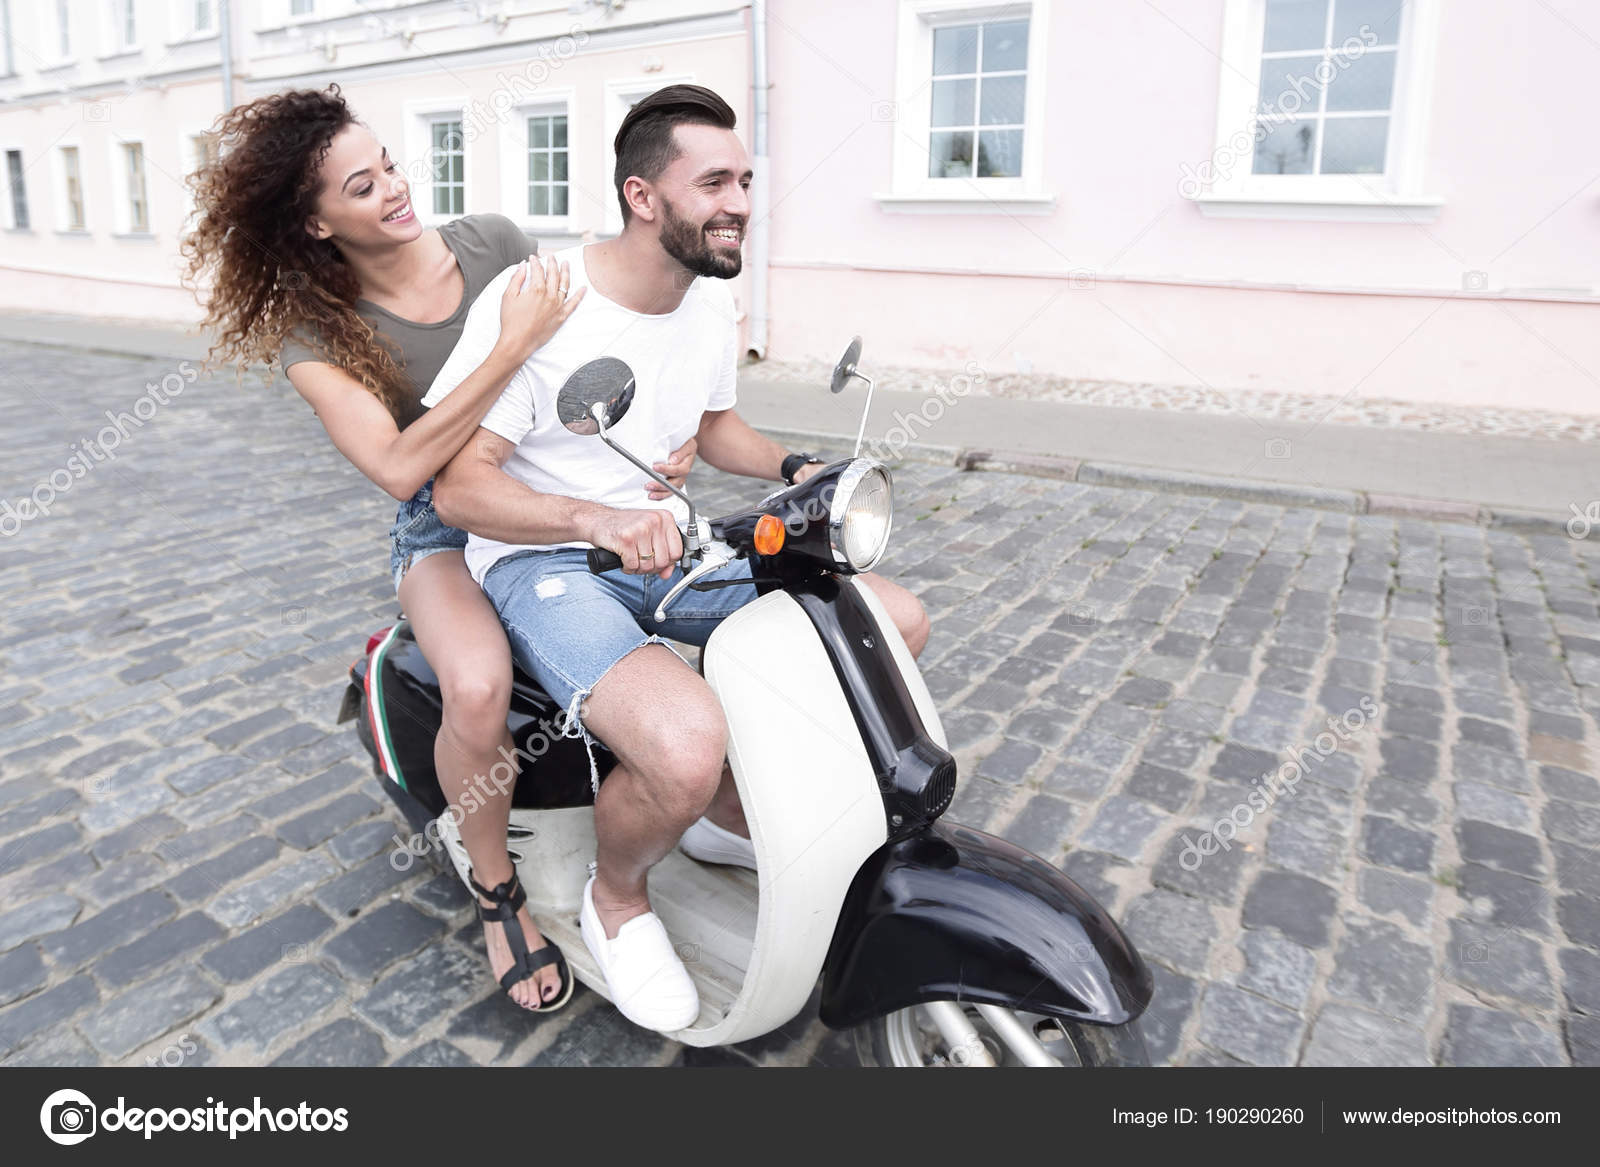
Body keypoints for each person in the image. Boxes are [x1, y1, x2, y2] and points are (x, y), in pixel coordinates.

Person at [425, 84, 930, 1032]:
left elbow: (714, 425)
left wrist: (795, 465)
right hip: (545, 559)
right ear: (643, 196)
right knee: (686, 740)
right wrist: (594, 520)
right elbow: (458, 488)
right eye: (714, 181)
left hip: (672, 545)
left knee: (894, 623)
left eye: (745, 179)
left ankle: (702, 809)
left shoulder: (701, 302)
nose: (740, 200)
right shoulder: (540, 300)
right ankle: (617, 893)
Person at [180, 84, 697, 1010]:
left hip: (548, 491)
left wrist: (657, 432)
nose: (393, 190)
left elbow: (579, 358)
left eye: (388, 166)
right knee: (479, 686)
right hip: (441, 530)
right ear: (316, 223)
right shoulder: (317, 338)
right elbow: (397, 464)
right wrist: (505, 348)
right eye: (360, 185)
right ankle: (500, 893)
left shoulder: (493, 241)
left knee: (690, 612)